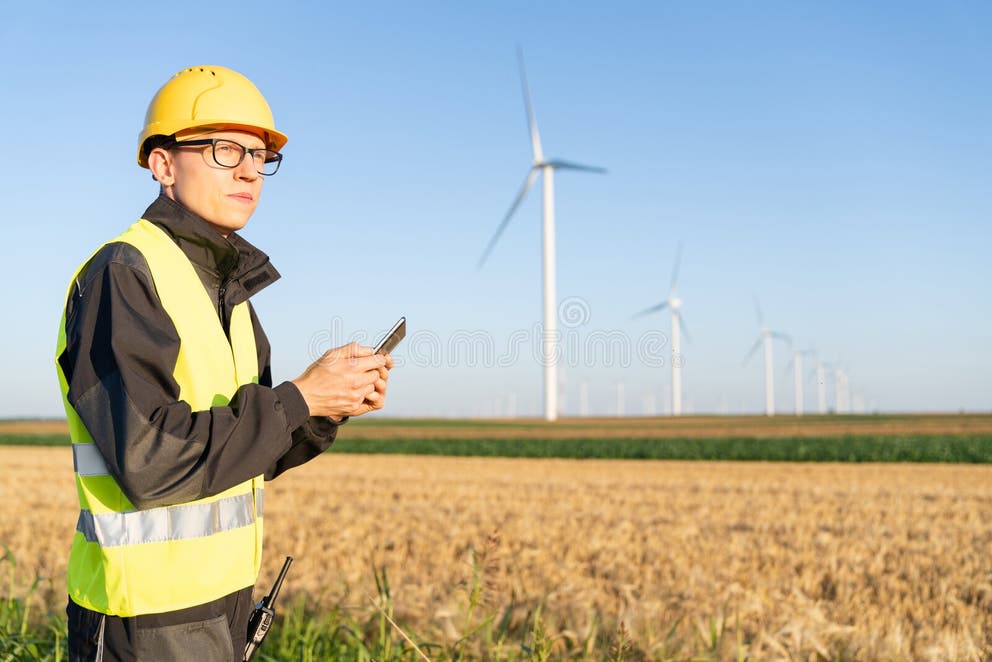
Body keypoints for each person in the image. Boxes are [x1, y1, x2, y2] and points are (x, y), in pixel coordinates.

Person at [55, 64, 392, 661]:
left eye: (260, 155)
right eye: (224, 149)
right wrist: (299, 398)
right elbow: (149, 459)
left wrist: (326, 411)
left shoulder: (229, 295)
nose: (248, 170)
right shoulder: (124, 275)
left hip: (224, 606)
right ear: (163, 165)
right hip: (142, 619)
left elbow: (240, 457)